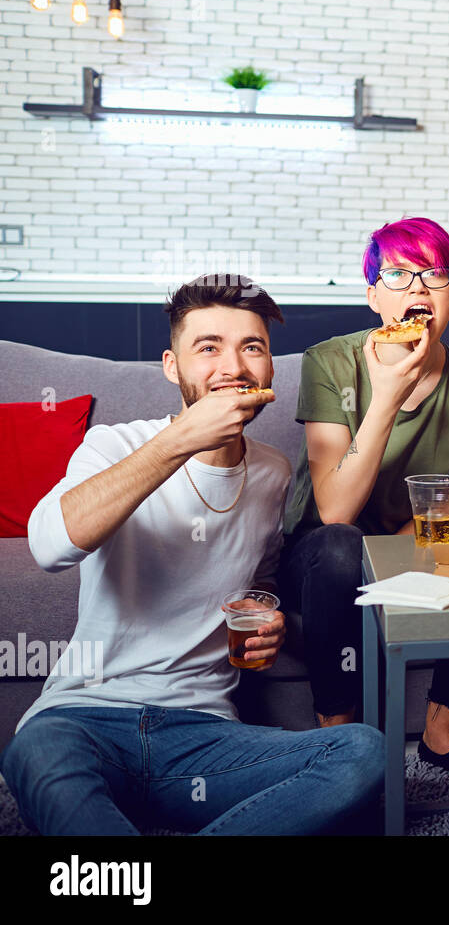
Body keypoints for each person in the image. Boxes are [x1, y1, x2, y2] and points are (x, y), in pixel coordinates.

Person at [0, 275, 384, 835]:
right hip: (81, 723)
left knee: (362, 751)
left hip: (204, 738)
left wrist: (270, 617)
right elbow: (50, 545)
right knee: (35, 756)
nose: (233, 366)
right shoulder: (115, 445)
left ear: (271, 368)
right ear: (171, 366)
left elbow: (259, 579)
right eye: (208, 348)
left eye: (251, 347)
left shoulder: (273, 471)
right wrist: (181, 439)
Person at [278, 218, 449, 790]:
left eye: (435, 275)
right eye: (398, 275)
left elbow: (443, 503)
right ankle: (340, 735)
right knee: (339, 545)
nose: (418, 289)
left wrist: (407, 558)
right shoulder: (329, 361)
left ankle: (441, 729)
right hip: (319, 555)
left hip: (405, 543)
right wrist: (385, 399)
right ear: (373, 295)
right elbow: (334, 511)